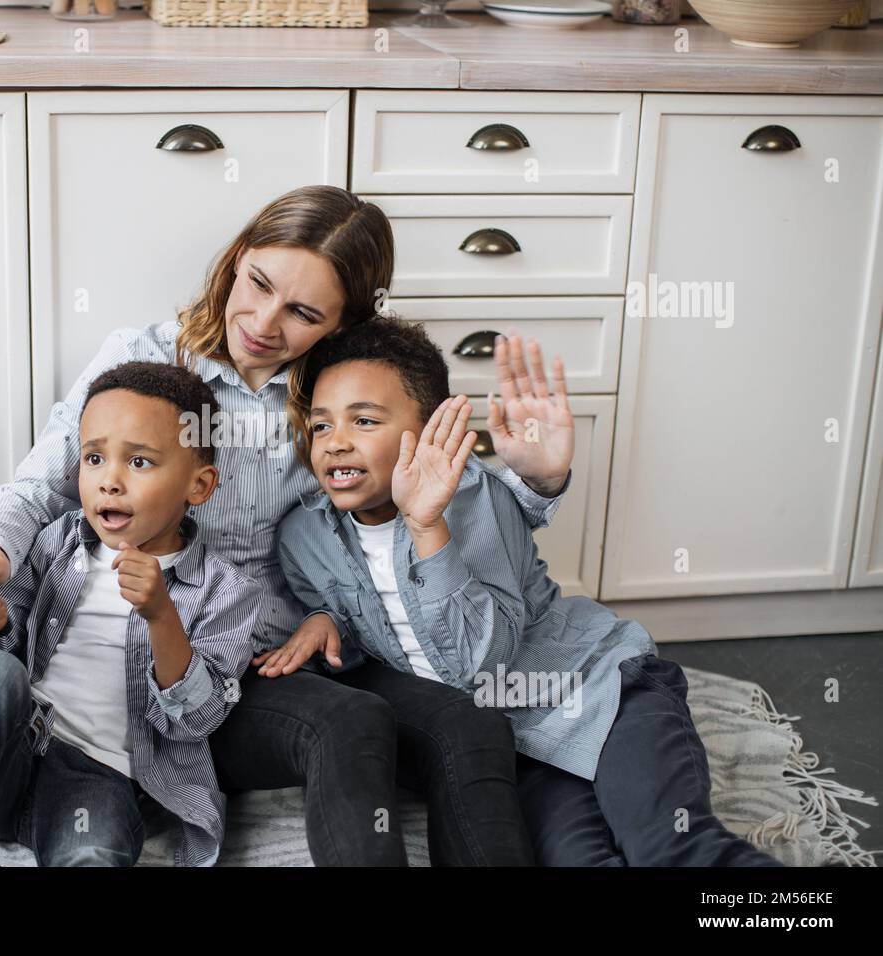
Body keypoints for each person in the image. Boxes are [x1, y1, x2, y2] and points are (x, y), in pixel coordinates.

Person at [0, 184, 574, 865]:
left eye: (302, 312)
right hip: (172, 661)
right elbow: (41, 486)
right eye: (259, 283)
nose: (265, 323)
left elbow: (437, 487)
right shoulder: (144, 357)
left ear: (342, 325)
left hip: (287, 652)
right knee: (349, 721)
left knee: (455, 722)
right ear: (238, 258)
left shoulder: (330, 402)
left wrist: (538, 480)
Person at [276, 316, 781, 866]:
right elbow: (357, 619)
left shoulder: (469, 498)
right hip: (518, 746)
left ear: (428, 432)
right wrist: (324, 618)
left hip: (602, 692)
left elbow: (477, 661)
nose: (336, 443)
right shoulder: (303, 536)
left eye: (365, 421)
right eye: (321, 426)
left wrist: (426, 528)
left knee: (668, 842)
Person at [0, 362, 260, 866]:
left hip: (96, 777)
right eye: (94, 457)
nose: (109, 481)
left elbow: (195, 719)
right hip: (7, 754)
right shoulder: (56, 544)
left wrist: (161, 615)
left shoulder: (226, 592)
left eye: (139, 462)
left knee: (95, 849)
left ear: (198, 486)